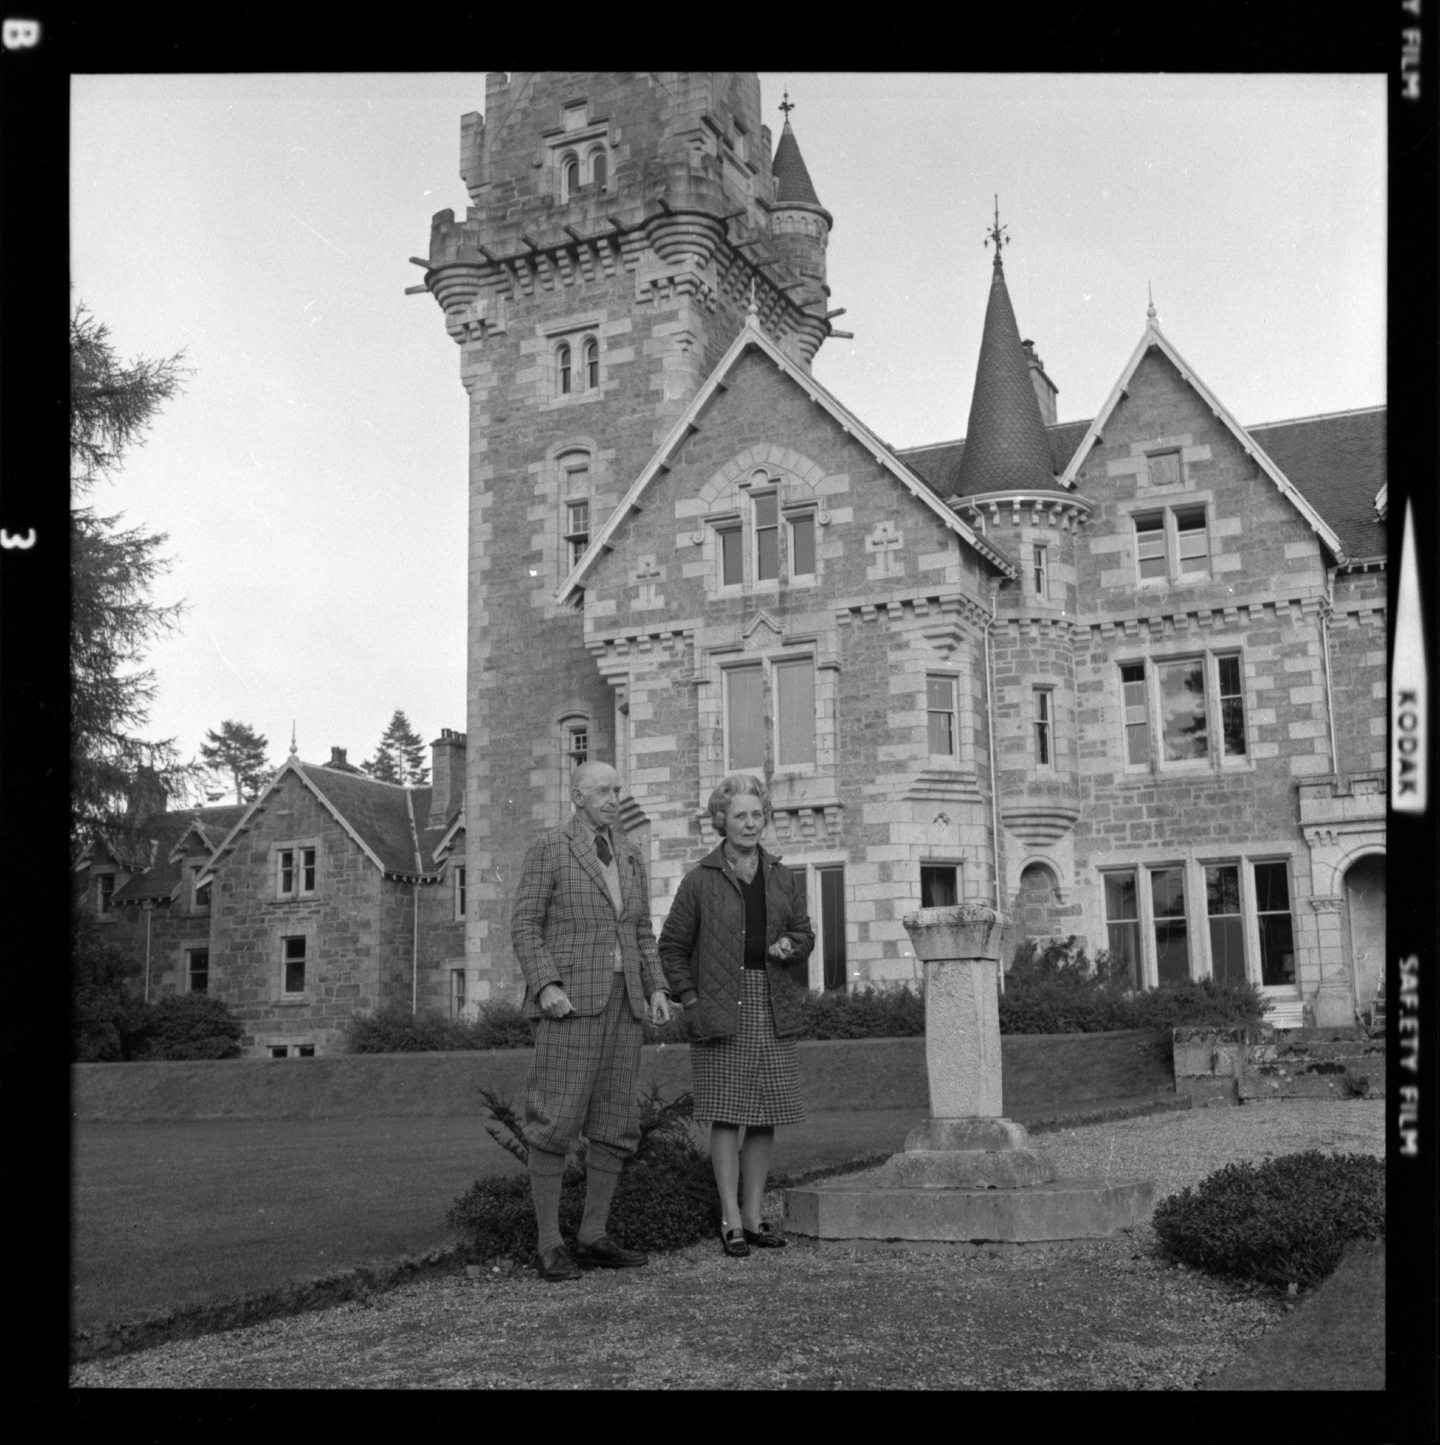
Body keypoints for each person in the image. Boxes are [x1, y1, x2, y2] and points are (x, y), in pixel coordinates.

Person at [511, 761, 673, 1282]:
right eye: (602, 790)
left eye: (617, 789)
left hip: (626, 1007)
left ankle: (592, 1236)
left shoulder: (628, 853)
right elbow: (524, 924)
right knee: (555, 1119)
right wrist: (547, 984)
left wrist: (657, 988)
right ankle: (548, 1244)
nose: (612, 797)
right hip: (570, 1006)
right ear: (576, 796)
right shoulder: (549, 849)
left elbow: (643, 932)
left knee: (614, 1123)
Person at [658, 774, 814, 1257]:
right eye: (740, 815)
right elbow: (672, 948)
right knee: (726, 1115)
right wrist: (690, 1000)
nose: (750, 823)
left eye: (757, 815)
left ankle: (753, 1217)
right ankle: (730, 1222)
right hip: (720, 1007)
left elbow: (805, 933)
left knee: (765, 1114)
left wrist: (793, 945)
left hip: (771, 1002)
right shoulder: (700, 880)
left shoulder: (782, 875)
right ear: (721, 820)